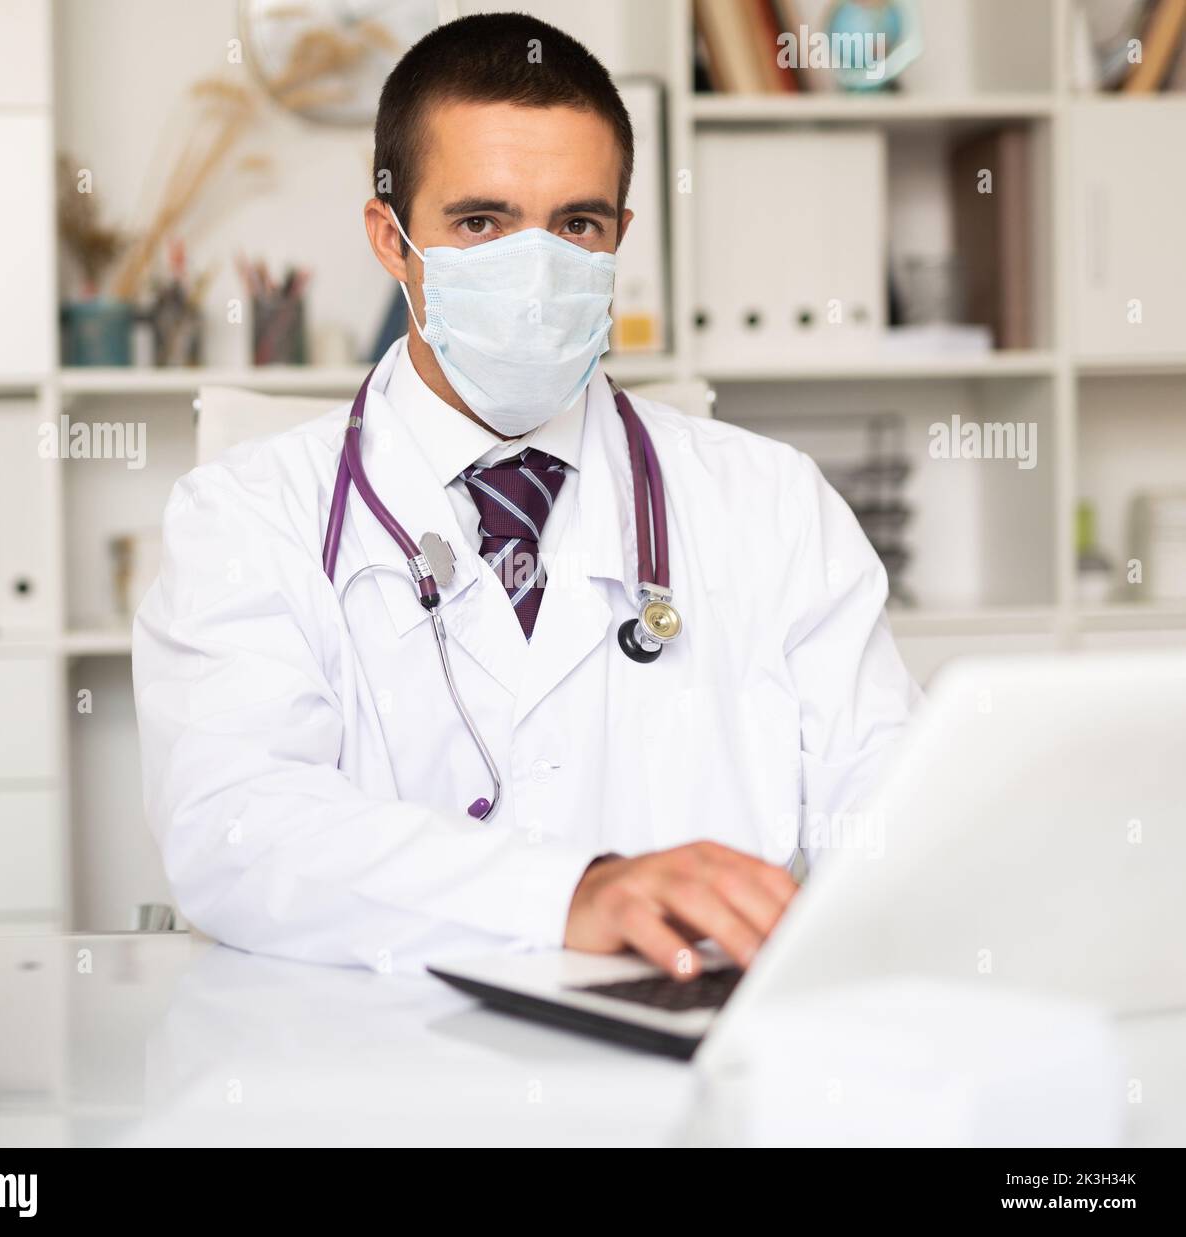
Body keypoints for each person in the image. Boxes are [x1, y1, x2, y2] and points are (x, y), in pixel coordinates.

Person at [133, 12, 919, 979]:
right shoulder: (248, 513)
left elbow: (895, 821)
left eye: (577, 224)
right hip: (372, 1075)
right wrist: (569, 897)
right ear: (392, 238)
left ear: (620, 237)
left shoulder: (774, 505)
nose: (537, 271)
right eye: (481, 222)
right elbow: (236, 828)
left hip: (692, 1073)